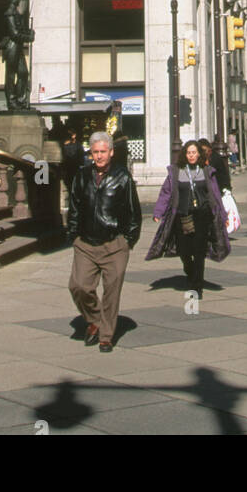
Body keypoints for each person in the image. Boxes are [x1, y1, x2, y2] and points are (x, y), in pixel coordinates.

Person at [67, 131, 141, 352]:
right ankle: (95, 320)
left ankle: (106, 335)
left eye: (103, 152)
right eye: (95, 152)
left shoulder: (123, 177)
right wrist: (73, 235)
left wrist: (128, 240)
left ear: (111, 152)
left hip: (114, 244)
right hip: (86, 243)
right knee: (79, 286)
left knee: (111, 290)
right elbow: (74, 207)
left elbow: (133, 213)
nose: (98, 156)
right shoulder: (81, 175)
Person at [147, 140, 230, 297]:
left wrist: (223, 215)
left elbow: (215, 195)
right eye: (189, 153)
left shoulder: (206, 171)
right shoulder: (177, 171)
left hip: (202, 215)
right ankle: (190, 270)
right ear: (185, 154)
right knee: (184, 250)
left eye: (194, 152)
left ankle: (197, 285)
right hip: (182, 215)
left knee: (199, 251)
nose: (191, 155)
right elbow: (166, 192)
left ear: (199, 154)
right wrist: (158, 212)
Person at [62, 130, 86, 194]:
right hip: (69, 167)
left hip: (75, 167)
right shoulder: (66, 145)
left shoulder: (78, 145)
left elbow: (81, 155)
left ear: (75, 135)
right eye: (70, 135)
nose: (72, 136)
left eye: (72, 134)